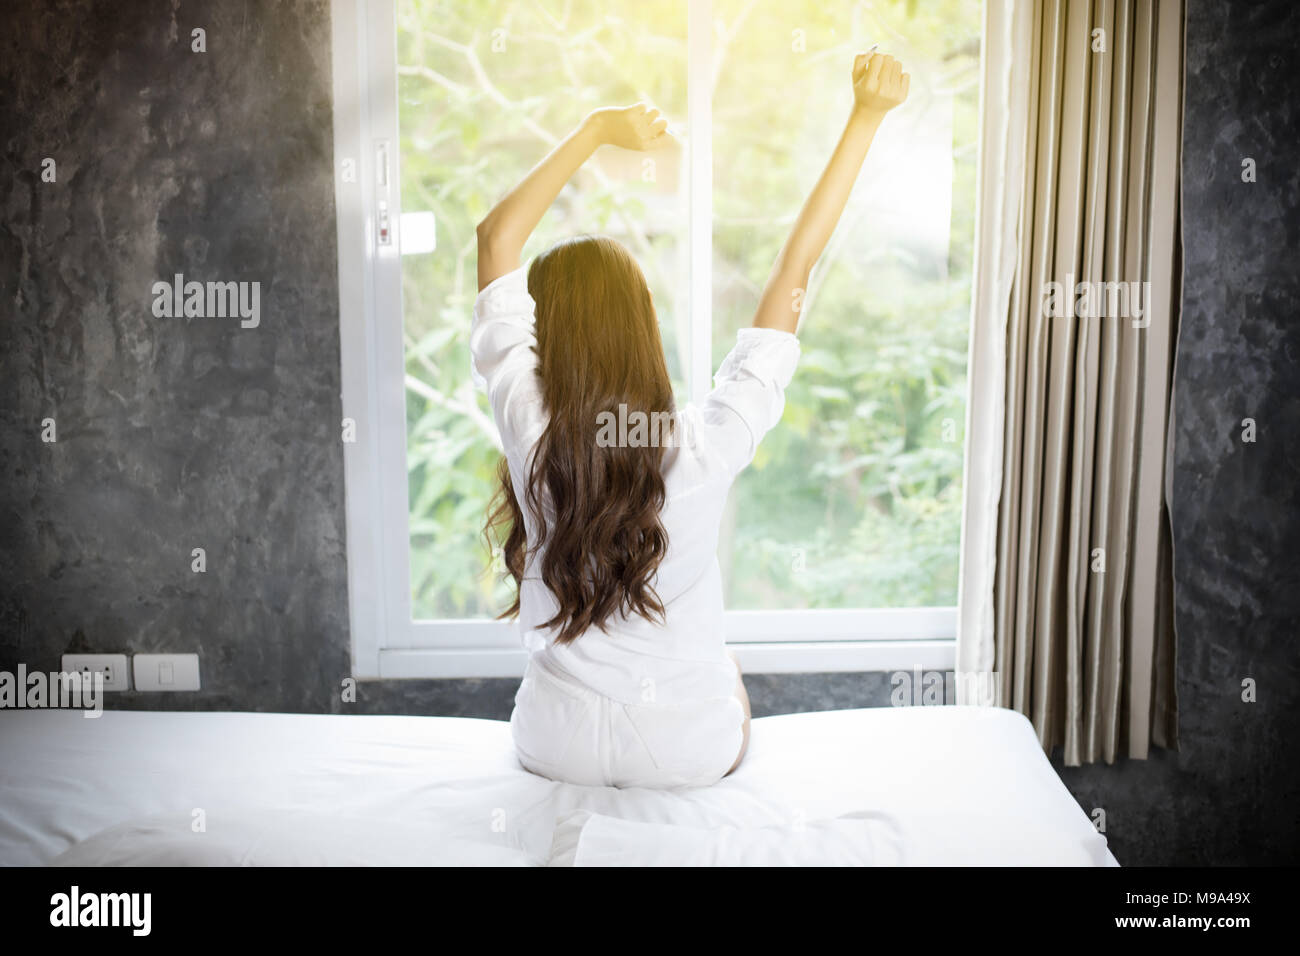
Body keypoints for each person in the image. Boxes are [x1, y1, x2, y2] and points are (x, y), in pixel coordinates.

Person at [472, 52, 909, 788]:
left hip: (554, 742)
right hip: (679, 751)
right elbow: (793, 272)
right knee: (726, 669)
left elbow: (495, 240)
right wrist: (866, 117)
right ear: (642, 331)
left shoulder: (531, 427)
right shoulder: (705, 443)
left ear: (546, 340)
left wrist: (594, 131)